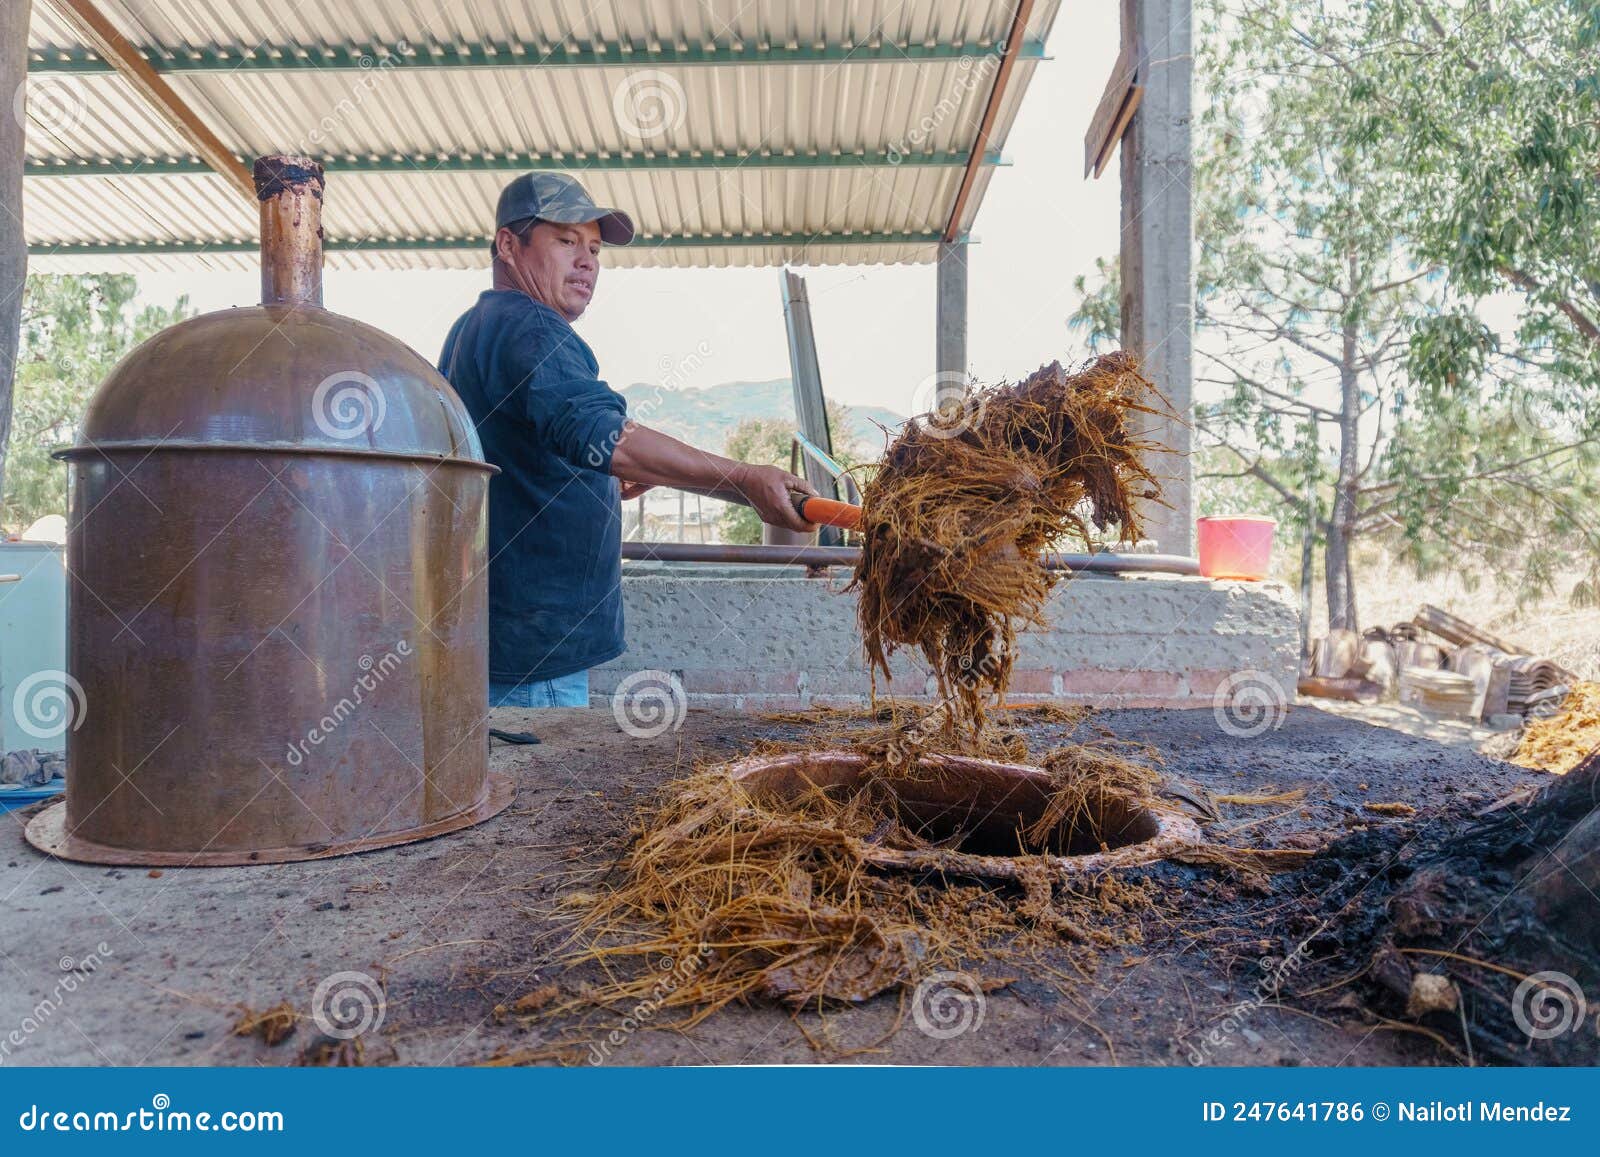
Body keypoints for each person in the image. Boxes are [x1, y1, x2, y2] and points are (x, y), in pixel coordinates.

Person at [439, 172, 816, 708]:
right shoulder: (532, 327)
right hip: (535, 655)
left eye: (594, 248)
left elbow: (515, 459)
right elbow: (604, 433)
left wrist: (591, 483)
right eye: (566, 240)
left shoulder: (476, 327)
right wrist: (746, 482)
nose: (587, 260)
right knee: (538, 789)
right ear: (508, 244)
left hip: (503, 638)